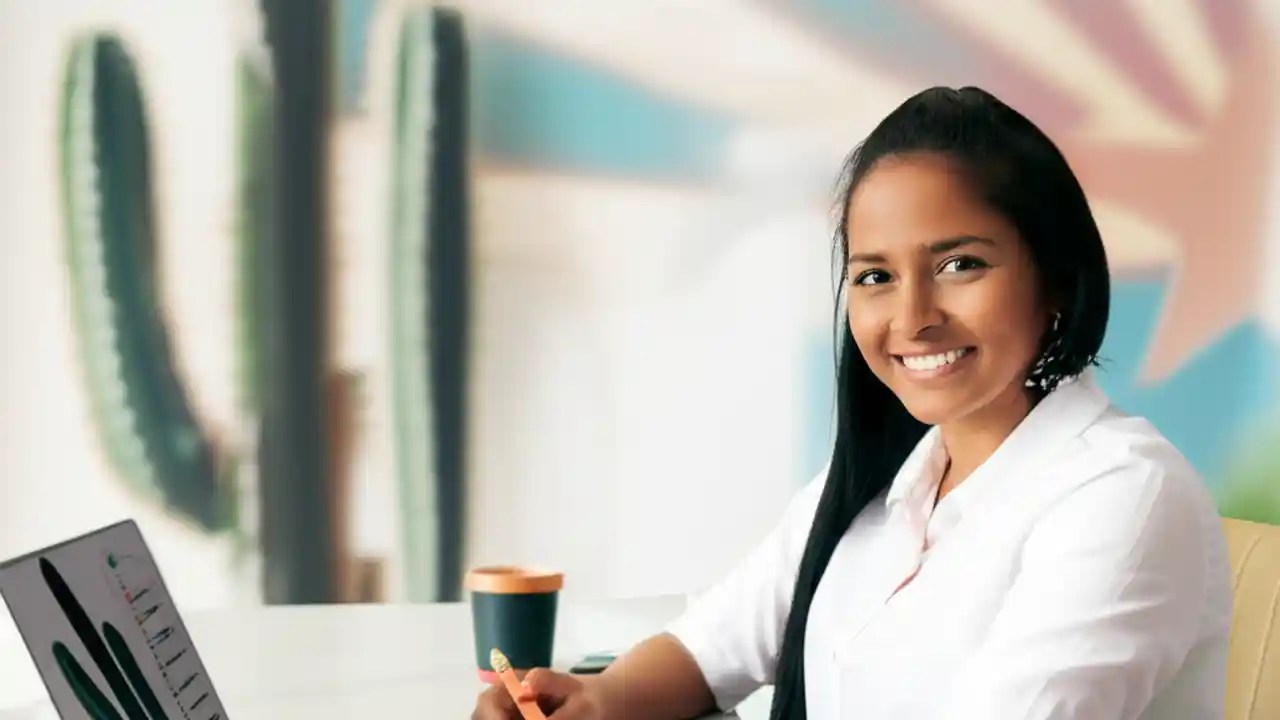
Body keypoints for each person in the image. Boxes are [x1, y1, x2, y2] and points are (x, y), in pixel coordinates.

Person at [471, 86, 1233, 720]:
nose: (912, 317)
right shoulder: (887, 474)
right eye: (875, 277)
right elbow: (716, 645)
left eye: (960, 264)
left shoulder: (1121, 498)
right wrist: (591, 705)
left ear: (1057, 280)